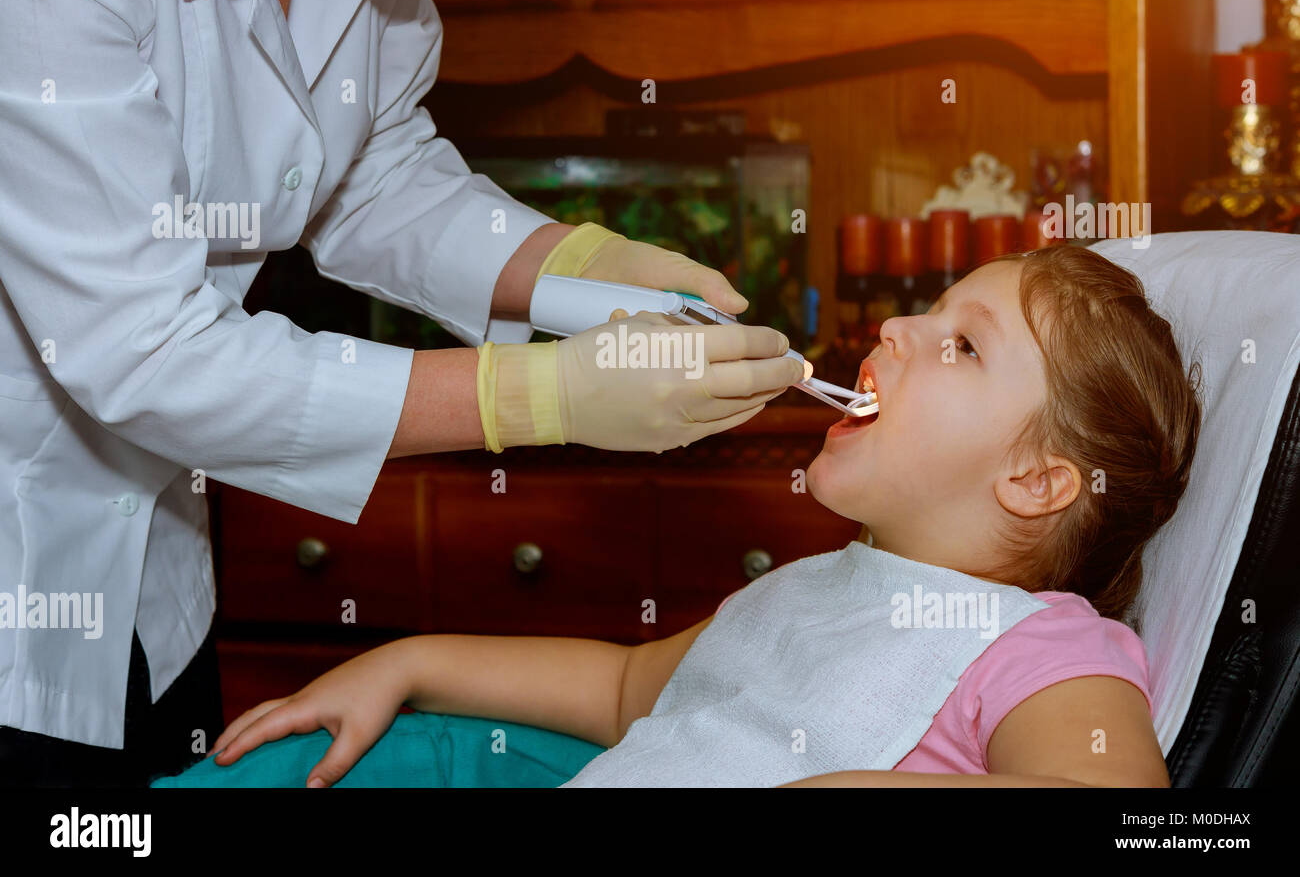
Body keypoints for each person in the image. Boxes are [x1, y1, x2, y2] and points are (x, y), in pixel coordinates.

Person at [0, 0, 803, 785]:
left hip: (154, 566)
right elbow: (148, 350)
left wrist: (577, 267)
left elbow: (374, 173)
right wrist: (535, 398)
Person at [157, 244, 1203, 788]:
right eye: (925, 312)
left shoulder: (1047, 645)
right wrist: (409, 660)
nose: (896, 324)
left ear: (1036, 480)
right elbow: (623, 688)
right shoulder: (815, 584)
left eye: (962, 345)